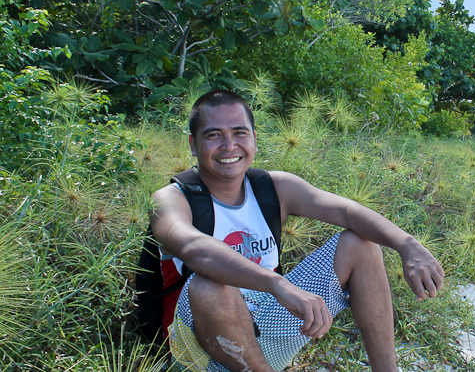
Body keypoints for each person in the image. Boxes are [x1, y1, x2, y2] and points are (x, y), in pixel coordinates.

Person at [149, 90, 444, 372]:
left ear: (254, 138)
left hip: (267, 326)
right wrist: (279, 285)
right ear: (192, 143)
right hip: (200, 350)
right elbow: (194, 249)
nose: (229, 146)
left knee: (361, 244)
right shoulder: (172, 198)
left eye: (240, 133)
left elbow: (347, 211)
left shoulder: (272, 187)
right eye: (213, 135)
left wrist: (408, 245)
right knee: (208, 284)